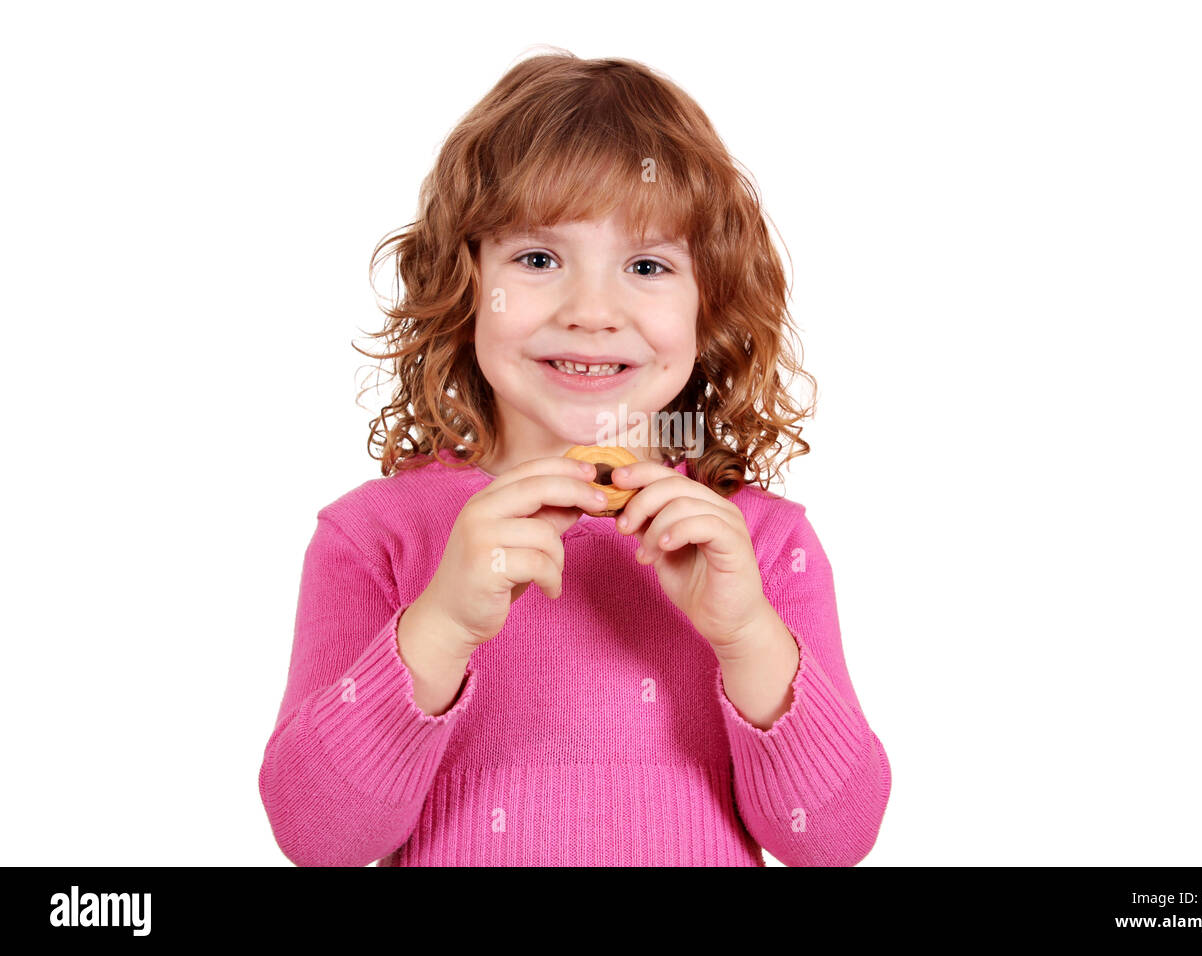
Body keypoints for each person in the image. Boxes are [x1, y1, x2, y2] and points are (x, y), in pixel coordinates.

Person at [258, 49, 891, 866]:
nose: (593, 311)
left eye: (648, 265)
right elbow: (319, 840)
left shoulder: (763, 546)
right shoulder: (372, 537)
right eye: (538, 259)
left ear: (713, 300)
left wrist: (745, 639)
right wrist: (440, 625)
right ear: (464, 279)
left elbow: (833, 842)